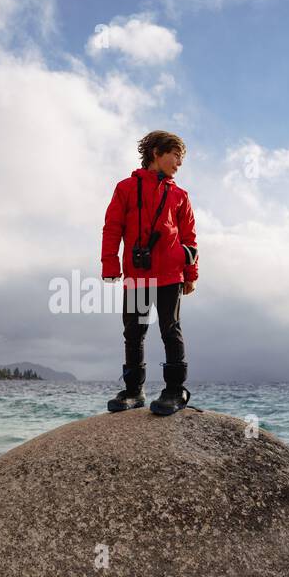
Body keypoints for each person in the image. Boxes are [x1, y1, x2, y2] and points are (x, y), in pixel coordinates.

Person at [101, 130, 198, 415]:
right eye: (176, 155)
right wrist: (110, 265)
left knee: (170, 330)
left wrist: (191, 274)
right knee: (134, 332)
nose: (179, 163)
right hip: (137, 274)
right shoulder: (125, 188)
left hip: (170, 275)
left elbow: (190, 239)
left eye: (181, 158)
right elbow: (112, 227)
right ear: (157, 152)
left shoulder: (180, 195)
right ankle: (133, 391)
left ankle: (174, 390)